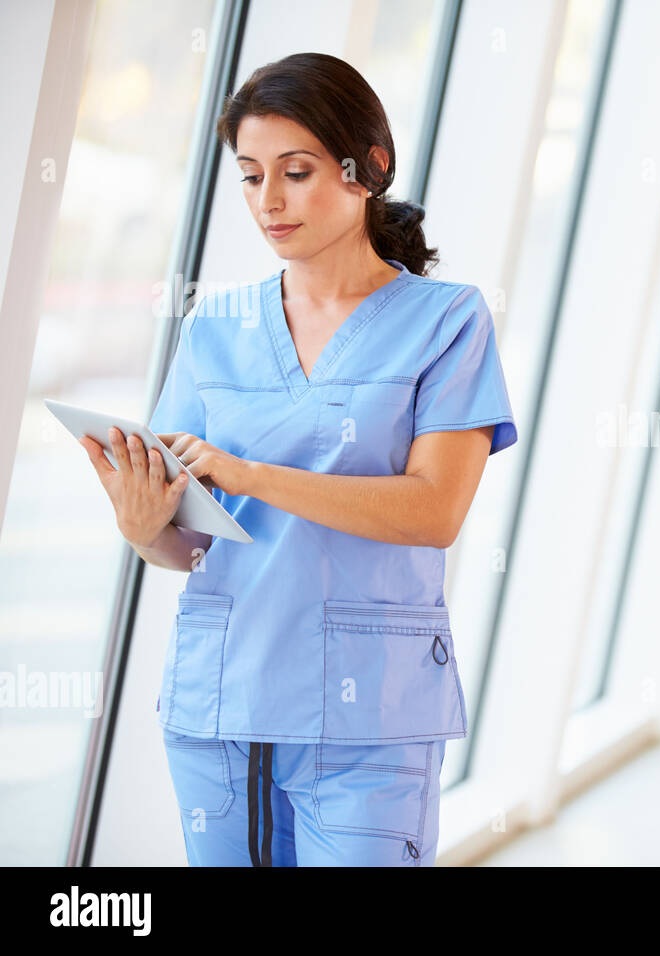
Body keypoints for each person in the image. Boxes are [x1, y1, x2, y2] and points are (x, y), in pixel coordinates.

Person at [79, 52, 517, 866]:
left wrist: (249, 475)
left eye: (297, 171)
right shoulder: (215, 328)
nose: (269, 201)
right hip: (222, 706)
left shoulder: (447, 323)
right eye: (250, 177)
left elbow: (434, 511)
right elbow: (189, 540)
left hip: (373, 724)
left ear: (369, 168)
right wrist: (143, 528)